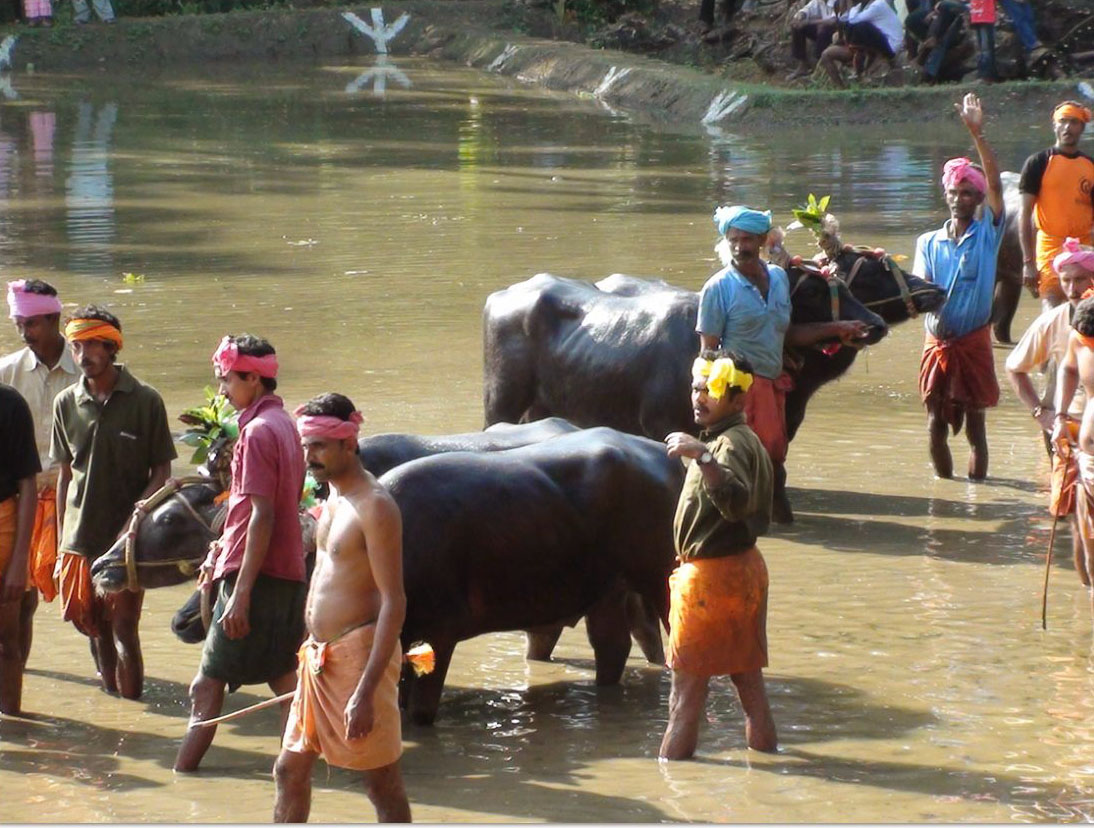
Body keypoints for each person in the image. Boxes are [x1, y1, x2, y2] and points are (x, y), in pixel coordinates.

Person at [273, 392, 411, 822]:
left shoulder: (376, 506)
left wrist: (366, 692)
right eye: (305, 445)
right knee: (289, 769)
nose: (308, 455)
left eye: (318, 446)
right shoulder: (332, 497)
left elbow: (394, 602)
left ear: (349, 444)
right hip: (319, 659)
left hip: (359, 659)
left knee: (379, 780)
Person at [176, 334, 307, 773]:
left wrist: (241, 593)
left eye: (227, 380)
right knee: (282, 676)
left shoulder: (255, 432)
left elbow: (262, 516)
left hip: (258, 574)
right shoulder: (286, 424)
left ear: (253, 379)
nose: (222, 392)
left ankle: (183, 777)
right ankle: (305, 760)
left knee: (205, 685)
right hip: (285, 570)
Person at [697, 204, 869, 520]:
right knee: (750, 470)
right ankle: (747, 530)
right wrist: (713, 404)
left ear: (763, 240)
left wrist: (837, 330)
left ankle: (770, 529)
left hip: (773, 385)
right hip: (737, 393)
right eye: (733, 240)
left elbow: (786, 333)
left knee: (774, 466)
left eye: (747, 240)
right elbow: (707, 354)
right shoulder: (718, 288)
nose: (739, 247)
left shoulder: (777, 278)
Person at [50, 306, 176, 698]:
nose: (83, 354)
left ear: (111, 346)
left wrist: (135, 523)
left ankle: (131, 704)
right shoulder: (66, 403)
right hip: (79, 536)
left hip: (126, 541)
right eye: (76, 346)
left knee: (124, 628)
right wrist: (59, 542)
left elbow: (161, 472)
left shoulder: (145, 400)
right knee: (94, 627)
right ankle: (112, 699)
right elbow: (65, 475)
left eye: (91, 345)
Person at [659, 351, 776, 759]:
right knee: (750, 686)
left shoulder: (722, 447)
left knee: (685, 695)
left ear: (738, 400)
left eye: (712, 390)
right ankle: (766, 768)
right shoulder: (741, 440)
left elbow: (735, 501)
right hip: (742, 573)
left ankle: (670, 792)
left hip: (712, 581)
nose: (700, 396)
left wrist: (703, 456)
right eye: (696, 387)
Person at [913, 93, 1005, 481]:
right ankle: (944, 492)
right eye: (953, 192)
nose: (958, 198)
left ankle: (977, 493)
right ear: (945, 195)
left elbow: (997, 183)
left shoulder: (989, 233)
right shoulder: (928, 242)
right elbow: (921, 292)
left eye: (967, 192)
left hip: (972, 341)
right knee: (934, 423)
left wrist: (977, 133)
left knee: (976, 427)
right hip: (938, 342)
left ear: (978, 199)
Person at [0, 280, 77, 672]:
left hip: (73, 495)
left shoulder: (87, 368)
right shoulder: (8, 373)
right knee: (20, 598)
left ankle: (112, 688)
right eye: (19, 324)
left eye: (32, 323)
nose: (25, 333)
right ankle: (19, 671)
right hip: (21, 498)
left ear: (54, 320)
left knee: (86, 597)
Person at [1007, 239, 1094, 583]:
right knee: (1079, 524)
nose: (1073, 289)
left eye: (1082, 280)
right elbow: (1015, 368)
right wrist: (1044, 415)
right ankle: (1086, 597)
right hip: (1071, 430)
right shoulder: (1054, 323)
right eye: (1067, 280)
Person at [1019, 102, 1094, 311]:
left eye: (1074, 122)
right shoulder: (1038, 162)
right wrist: (1028, 263)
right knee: (1050, 310)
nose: (1068, 127)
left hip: (1084, 247)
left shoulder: (1090, 166)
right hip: (1049, 246)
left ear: (1082, 127)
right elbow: (1025, 215)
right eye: (1063, 121)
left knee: (1086, 310)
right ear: (1054, 126)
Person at [0, 383, 39, 714]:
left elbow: (28, 484)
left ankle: (12, 725)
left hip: (3, 524)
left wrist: (19, 561)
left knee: (6, 643)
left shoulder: (10, 404)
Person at [1054, 295, 1094, 616]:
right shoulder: (1079, 338)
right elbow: (1068, 369)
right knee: (1085, 536)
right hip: (1087, 458)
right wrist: (1059, 416)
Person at [819, 0, 904, 89]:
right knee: (826, 55)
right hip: (867, 43)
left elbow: (853, 21)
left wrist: (850, 6)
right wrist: (845, 8)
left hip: (889, 45)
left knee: (861, 27)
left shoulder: (878, 4)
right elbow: (844, 20)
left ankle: (862, 73)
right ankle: (841, 88)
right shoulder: (859, 7)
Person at [787, 0, 838, 80]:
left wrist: (809, 22)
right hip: (823, 29)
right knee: (797, 27)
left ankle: (819, 66)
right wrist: (800, 17)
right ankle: (802, 65)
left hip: (836, 32)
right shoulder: (819, 1)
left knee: (823, 30)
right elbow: (807, 9)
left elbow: (833, 21)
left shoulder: (836, 2)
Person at [969, 0, 997, 82]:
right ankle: (982, 75)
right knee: (980, 49)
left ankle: (986, 75)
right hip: (976, 17)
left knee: (986, 48)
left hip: (986, 17)